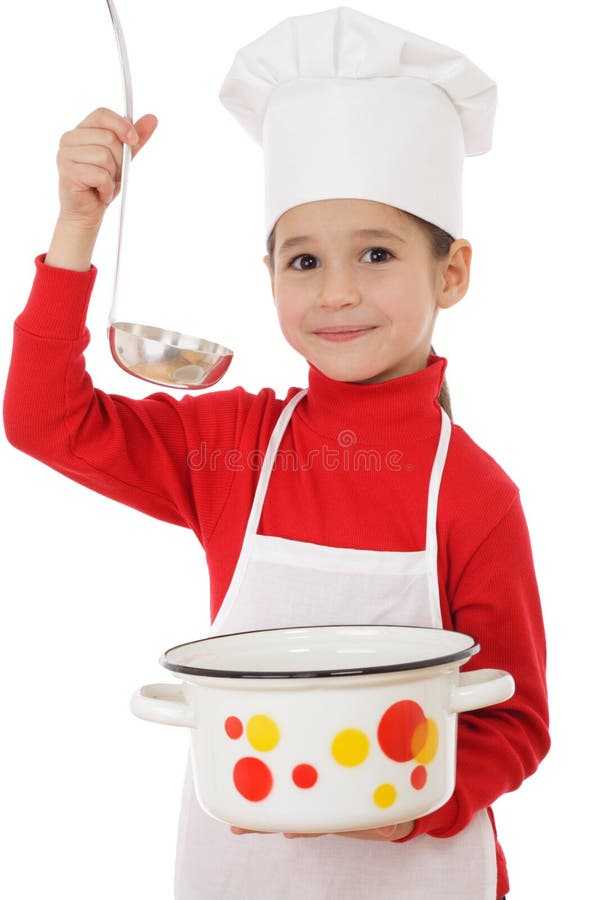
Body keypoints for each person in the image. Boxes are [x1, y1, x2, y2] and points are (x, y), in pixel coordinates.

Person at [3, 6, 549, 899]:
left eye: (375, 252)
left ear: (449, 273)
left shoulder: (476, 495)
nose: (337, 293)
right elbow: (44, 419)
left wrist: (407, 809)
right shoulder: (234, 446)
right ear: (268, 277)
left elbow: (516, 720)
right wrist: (76, 226)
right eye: (302, 262)